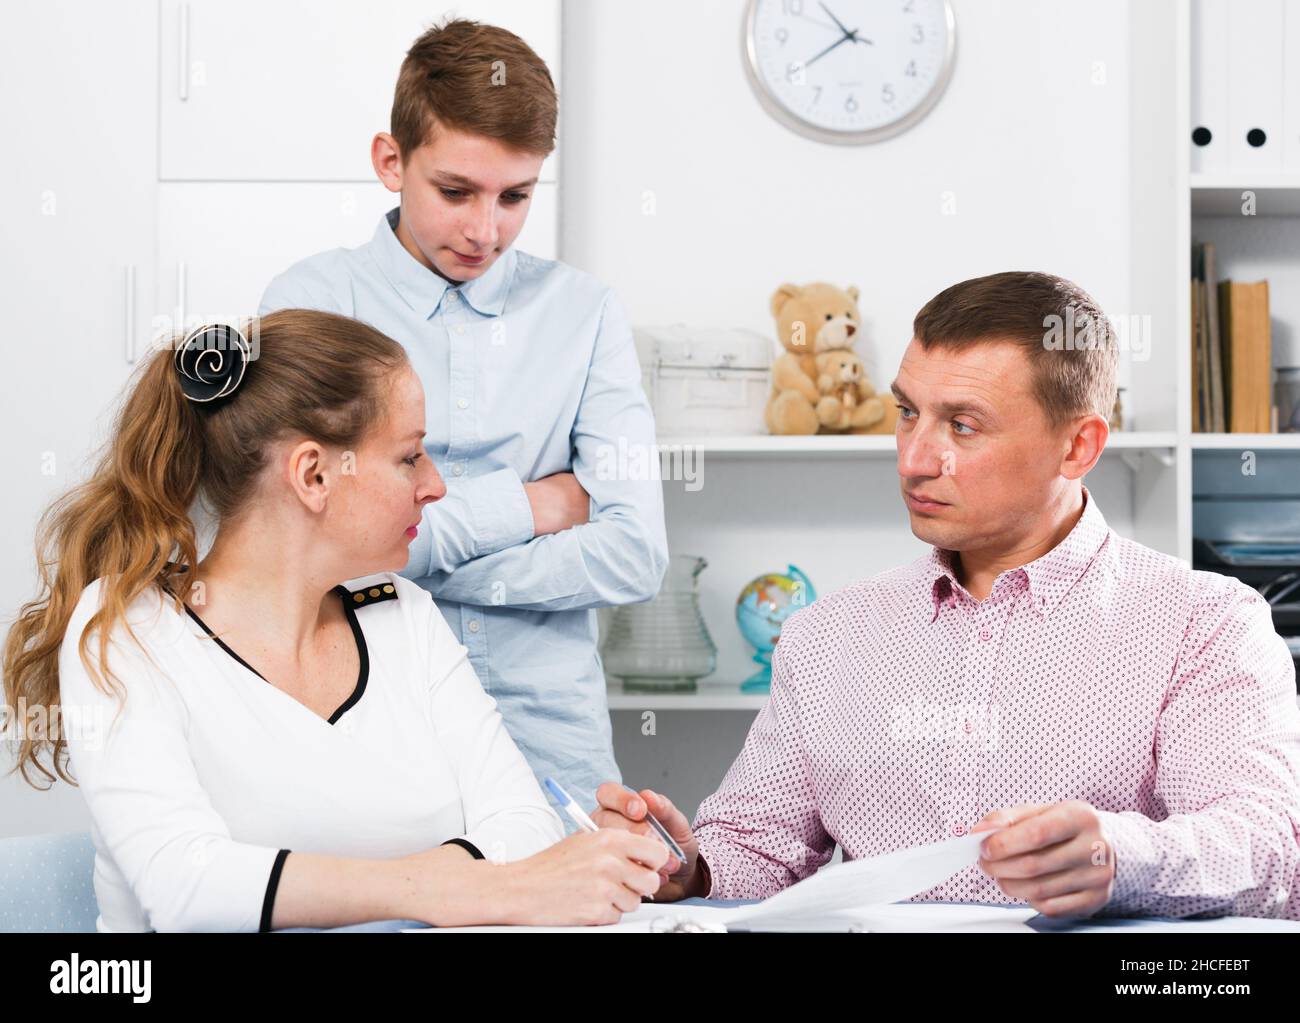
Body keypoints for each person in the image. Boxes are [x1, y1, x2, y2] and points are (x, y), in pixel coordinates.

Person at [594, 271, 1300, 920]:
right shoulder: (827, 633)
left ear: (1078, 447)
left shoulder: (1205, 623)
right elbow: (760, 847)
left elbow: (1265, 847)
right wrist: (689, 868)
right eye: (907, 412)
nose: (914, 457)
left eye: (962, 425)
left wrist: (1119, 854)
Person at [1, 310, 666, 931]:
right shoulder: (126, 628)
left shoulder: (402, 615)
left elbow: (525, 829)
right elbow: (187, 886)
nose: (433, 485)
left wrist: (469, 881)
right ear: (314, 474)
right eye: (409, 456)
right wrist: (453, 886)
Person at [258, 17, 667, 817]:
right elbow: (297, 547)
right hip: (363, 715)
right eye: (456, 192)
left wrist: (414, 566)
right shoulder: (309, 304)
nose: (486, 230)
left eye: (515, 197)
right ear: (390, 161)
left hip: (550, 738)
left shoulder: (583, 314)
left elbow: (634, 553)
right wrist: (532, 505)